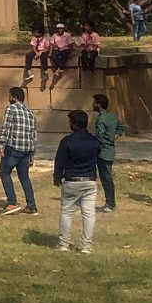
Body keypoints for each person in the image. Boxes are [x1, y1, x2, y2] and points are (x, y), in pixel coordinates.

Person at [53, 109, 101, 253]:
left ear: (73, 124)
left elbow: (59, 161)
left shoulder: (67, 141)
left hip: (72, 180)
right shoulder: (94, 141)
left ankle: (63, 244)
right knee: (89, 214)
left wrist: (57, 176)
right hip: (89, 180)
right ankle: (86, 246)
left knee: (67, 212)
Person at [0, 86, 38, 216]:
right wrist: (32, 153)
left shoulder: (11, 108)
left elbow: (7, 127)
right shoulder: (30, 113)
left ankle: (12, 202)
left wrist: (2, 144)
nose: (8, 99)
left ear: (14, 97)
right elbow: (34, 134)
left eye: (9, 96)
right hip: (27, 150)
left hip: (14, 147)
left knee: (4, 172)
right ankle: (31, 205)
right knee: (24, 177)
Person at [91, 93, 123, 212]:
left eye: (94, 103)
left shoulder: (101, 119)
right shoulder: (113, 115)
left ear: (99, 104)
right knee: (107, 177)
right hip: (110, 150)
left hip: (103, 151)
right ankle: (110, 202)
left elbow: (99, 136)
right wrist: (116, 135)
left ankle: (110, 203)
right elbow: (121, 127)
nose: (93, 105)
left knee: (106, 178)